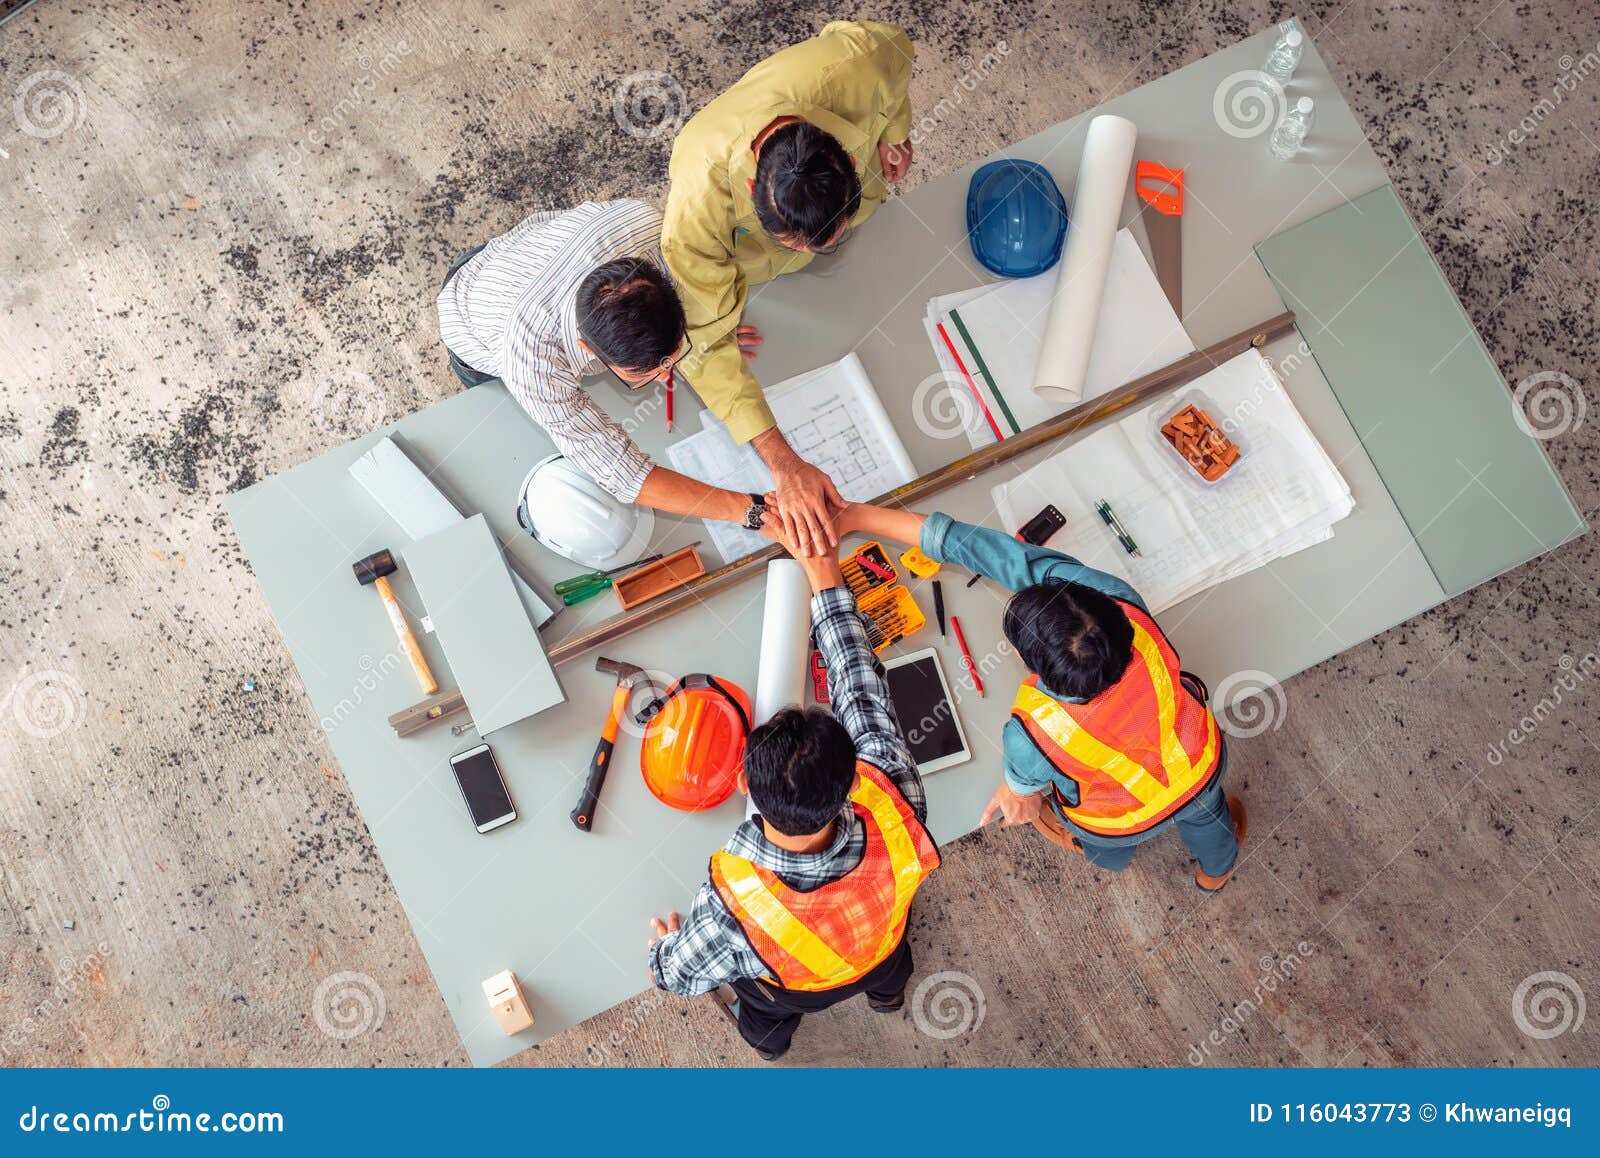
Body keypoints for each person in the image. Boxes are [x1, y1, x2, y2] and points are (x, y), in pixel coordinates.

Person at [837, 503, 1248, 891]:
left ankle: (1107, 856)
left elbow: (1024, 789)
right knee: (1209, 821)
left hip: (1119, 819)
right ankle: (1216, 872)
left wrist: (1014, 793)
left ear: (1024, 660)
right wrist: (854, 514)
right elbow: (1011, 558)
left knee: (1105, 845)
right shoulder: (1120, 600)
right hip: (1198, 765)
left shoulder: (1034, 730)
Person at [647, 545, 939, 1060]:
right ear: (852, 777)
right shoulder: (891, 785)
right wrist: (825, 573)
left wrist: (663, 949)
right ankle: (888, 997)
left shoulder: (731, 906)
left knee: (764, 1017)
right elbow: (858, 682)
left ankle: (771, 1049)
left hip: (793, 991)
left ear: (742, 783)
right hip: (883, 946)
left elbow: (675, 976)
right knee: (891, 969)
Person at [662, 20, 916, 557]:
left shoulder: (858, 61)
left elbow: (897, 57)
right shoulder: (696, 204)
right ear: (751, 188)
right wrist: (784, 463)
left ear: (847, 161)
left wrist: (894, 129)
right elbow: (705, 342)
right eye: (796, 243)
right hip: (766, 287)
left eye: (826, 240)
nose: (812, 254)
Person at [436, 198, 789, 540]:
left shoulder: (653, 229)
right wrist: (752, 511)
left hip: (527, 247)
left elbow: (695, 300)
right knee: (490, 407)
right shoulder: (530, 359)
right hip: (469, 308)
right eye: (642, 375)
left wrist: (706, 332)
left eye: (671, 357)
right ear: (587, 348)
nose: (666, 377)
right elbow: (622, 473)